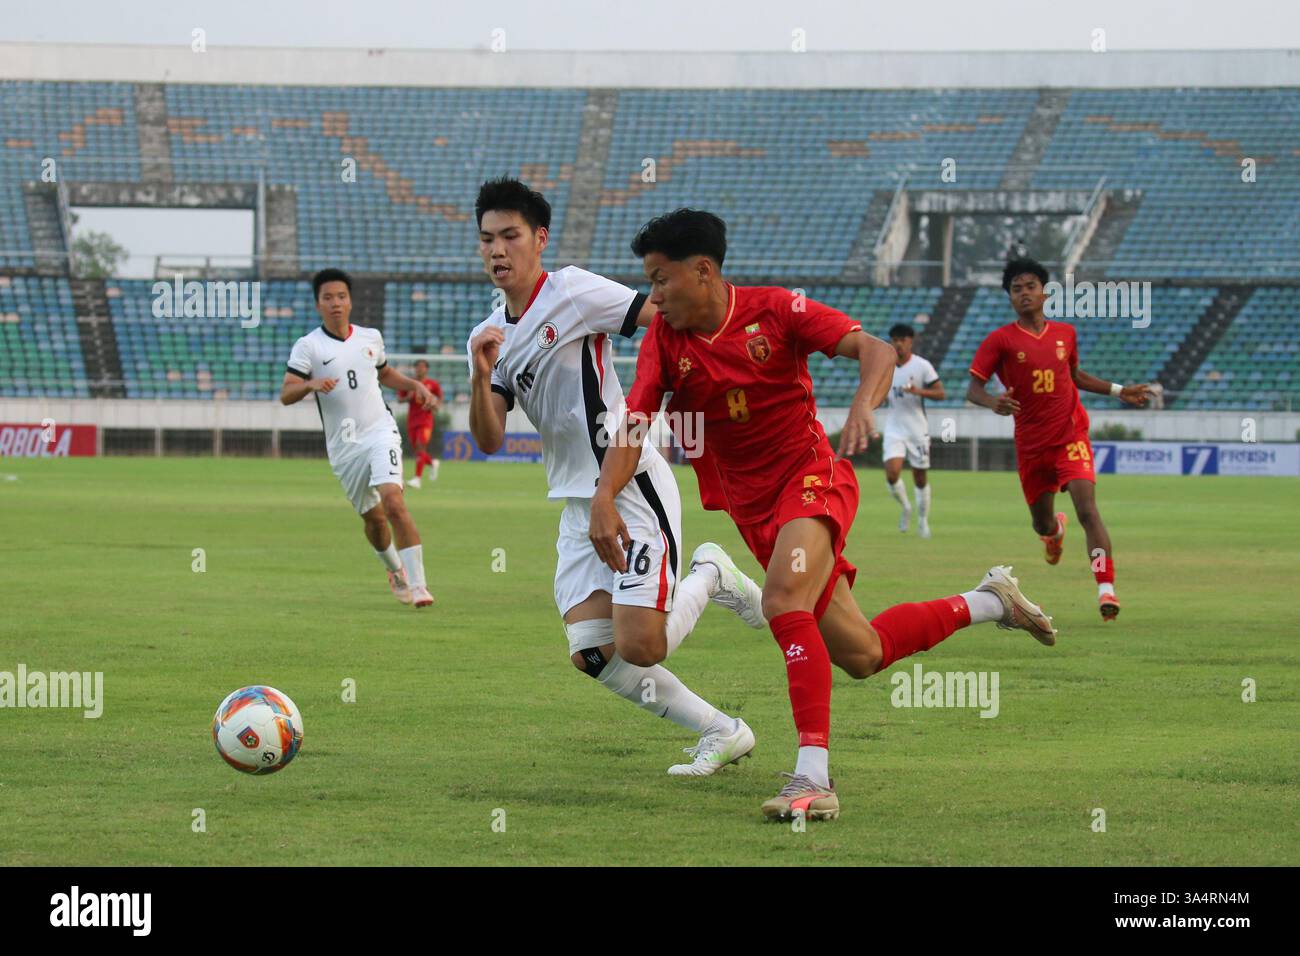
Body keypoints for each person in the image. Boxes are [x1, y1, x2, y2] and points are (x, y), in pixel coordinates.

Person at [591, 209, 1057, 820]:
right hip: (756, 514)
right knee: (862, 654)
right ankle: (993, 601)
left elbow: (875, 349)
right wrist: (604, 495)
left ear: (702, 271)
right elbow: (635, 422)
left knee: (782, 602)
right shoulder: (665, 342)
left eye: (660, 279)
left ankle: (812, 778)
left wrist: (864, 403)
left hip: (813, 479)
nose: (653, 296)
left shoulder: (778, 309)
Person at [466, 179, 765, 776]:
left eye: (510, 236)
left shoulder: (572, 291)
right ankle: (723, 732)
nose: (497, 250)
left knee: (641, 645)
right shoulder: (490, 334)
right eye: (486, 239)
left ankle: (711, 573)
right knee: (594, 654)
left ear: (539, 238)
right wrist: (480, 374)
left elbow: (661, 314)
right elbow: (490, 438)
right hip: (578, 505)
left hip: (629, 488)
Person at [966, 257, 1152, 621]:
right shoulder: (1000, 340)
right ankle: (1053, 534)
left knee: (1088, 509)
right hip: (1032, 446)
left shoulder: (1065, 334)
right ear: (1010, 298)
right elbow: (973, 388)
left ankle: (1106, 589)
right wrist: (992, 401)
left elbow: (1075, 376)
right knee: (1041, 523)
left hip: (1070, 435)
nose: (1024, 294)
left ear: (1045, 292)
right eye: (1016, 289)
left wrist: (1120, 390)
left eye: (1030, 286)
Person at [280, 268, 435, 608]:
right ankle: (395, 571)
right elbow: (286, 393)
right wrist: (310, 384)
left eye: (341, 296)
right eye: (327, 298)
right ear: (318, 304)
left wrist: (414, 385)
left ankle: (420, 586)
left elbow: (384, 373)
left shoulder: (370, 338)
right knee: (374, 519)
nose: (335, 303)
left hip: (380, 431)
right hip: (344, 447)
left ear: (349, 301)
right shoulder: (309, 346)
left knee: (393, 500)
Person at [880, 322, 944, 538]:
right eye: (895, 340)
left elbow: (940, 393)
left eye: (902, 340)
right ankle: (906, 507)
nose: (898, 344)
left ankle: (923, 520)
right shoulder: (886, 366)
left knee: (919, 477)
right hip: (894, 427)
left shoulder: (922, 366)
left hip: (917, 428)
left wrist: (918, 391)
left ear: (910, 341)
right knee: (892, 473)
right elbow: (879, 393)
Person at [399, 359, 443, 487]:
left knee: (420, 445)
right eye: (417, 367)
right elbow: (400, 398)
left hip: (426, 421)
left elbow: (439, 399)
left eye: (423, 367)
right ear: (414, 369)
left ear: (427, 369)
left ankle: (417, 479)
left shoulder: (432, 384)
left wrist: (435, 405)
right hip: (412, 420)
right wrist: (409, 396)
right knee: (417, 450)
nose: (420, 369)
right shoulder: (409, 383)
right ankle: (432, 462)